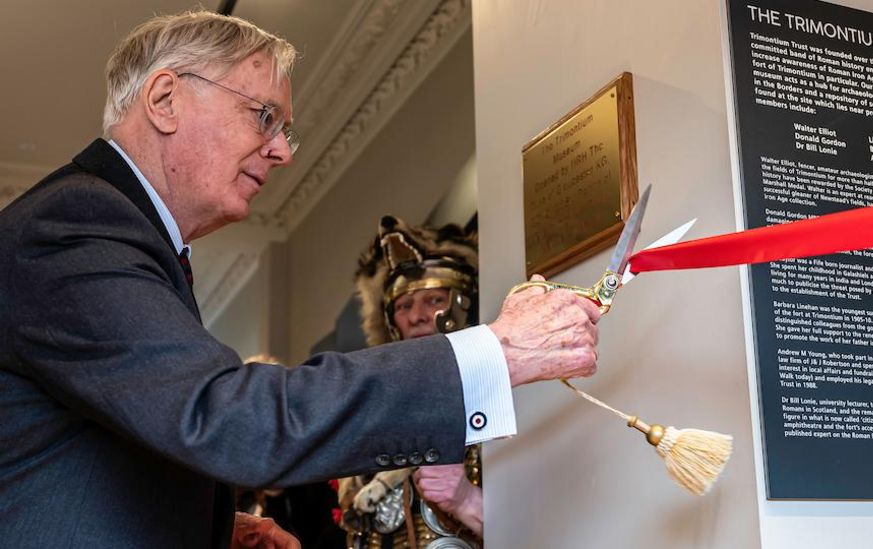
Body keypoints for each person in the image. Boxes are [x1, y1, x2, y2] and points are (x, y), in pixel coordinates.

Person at [0, 10, 600, 549]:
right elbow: (231, 419)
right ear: (165, 100)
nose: (283, 152)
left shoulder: (109, 230)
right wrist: (495, 351)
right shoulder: (75, 223)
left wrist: (211, 528)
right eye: (264, 116)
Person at [337, 216, 485, 548]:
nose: (417, 316)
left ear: (464, 305)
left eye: (434, 300)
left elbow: (545, 527)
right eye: (404, 305)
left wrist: (467, 501)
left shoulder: (498, 405)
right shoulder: (371, 418)